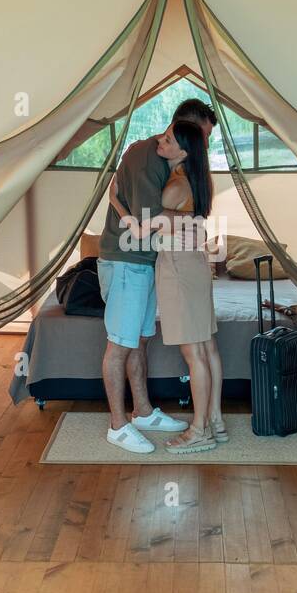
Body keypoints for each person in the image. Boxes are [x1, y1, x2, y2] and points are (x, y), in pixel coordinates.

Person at [108, 100, 225, 453]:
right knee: (205, 349)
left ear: (184, 150)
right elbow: (187, 221)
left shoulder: (175, 185)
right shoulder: (196, 180)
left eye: (172, 139)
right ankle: (213, 422)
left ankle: (200, 430)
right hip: (192, 265)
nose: (164, 141)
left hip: (177, 267)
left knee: (194, 354)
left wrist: (116, 201)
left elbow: (147, 225)